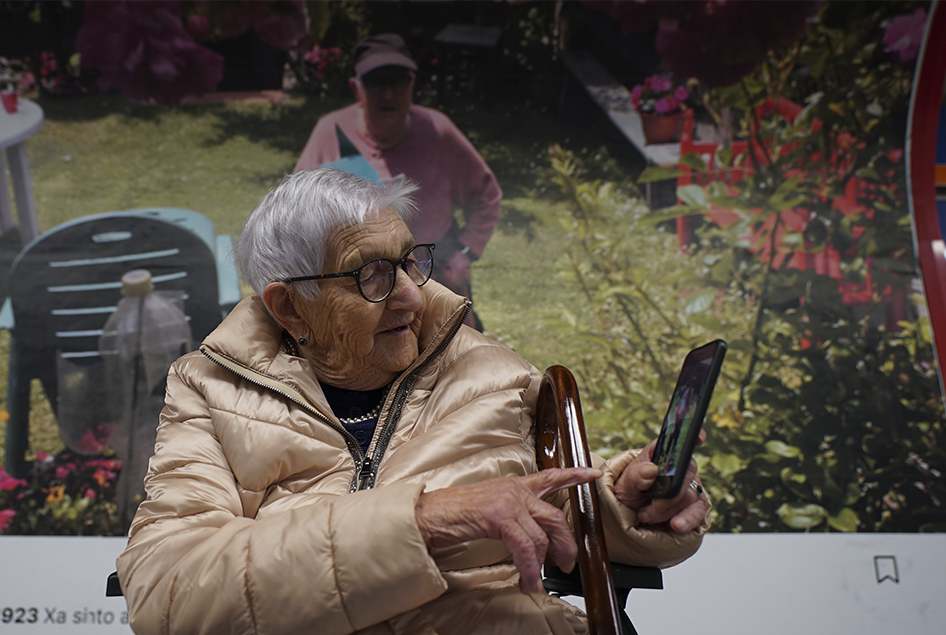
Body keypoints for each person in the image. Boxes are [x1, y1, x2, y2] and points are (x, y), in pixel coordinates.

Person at [116, 168, 710, 635]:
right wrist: (421, 521)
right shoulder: (210, 390)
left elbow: (559, 528)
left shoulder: (496, 373)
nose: (410, 297)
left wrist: (626, 507)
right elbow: (169, 585)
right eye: (372, 276)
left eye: (408, 262)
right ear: (291, 307)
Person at [294, 33, 500, 331]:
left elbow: (487, 195)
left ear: (412, 85)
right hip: (359, 289)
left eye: (398, 81)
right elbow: (297, 216)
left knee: (456, 365)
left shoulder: (438, 132)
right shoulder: (330, 133)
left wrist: (465, 253)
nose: (388, 94)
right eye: (377, 82)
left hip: (434, 277)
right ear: (356, 88)